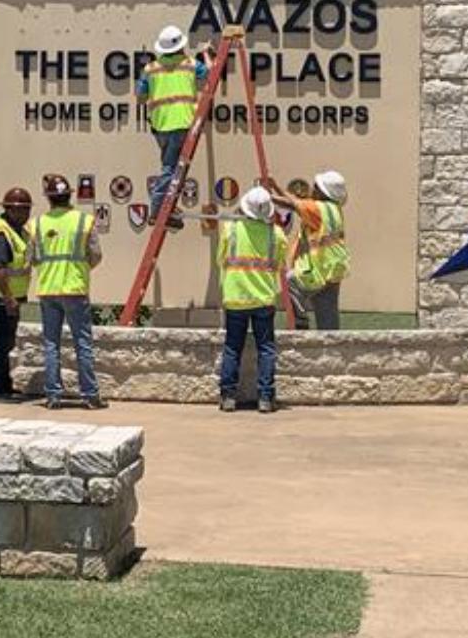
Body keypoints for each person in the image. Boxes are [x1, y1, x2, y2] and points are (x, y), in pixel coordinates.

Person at [28, 175, 106, 409]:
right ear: (69, 195)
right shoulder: (84, 221)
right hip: (75, 288)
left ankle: (53, 395)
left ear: (49, 199)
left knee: (51, 343)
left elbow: (32, 258)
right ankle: (90, 395)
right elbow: (96, 255)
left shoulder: (36, 224)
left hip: (47, 289)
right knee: (82, 342)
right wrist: (79, 268)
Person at [217, 187, 288, 413]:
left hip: (236, 298)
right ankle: (265, 398)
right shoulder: (275, 234)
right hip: (263, 298)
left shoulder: (231, 229)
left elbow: (221, 258)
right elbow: (279, 263)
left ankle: (228, 397)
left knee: (232, 348)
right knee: (266, 348)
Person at [136, 25, 208, 229]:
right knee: (171, 169)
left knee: (173, 168)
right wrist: (206, 55)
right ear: (181, 46)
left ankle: (168, 207)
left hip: (161, 126)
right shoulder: (191, 64)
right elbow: (210, 76)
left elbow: (140, 97)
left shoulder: (150, 69)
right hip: (183, 124)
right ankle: (158, 210)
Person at [269, 170, 351, 331]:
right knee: (328, 317)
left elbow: (291, 204)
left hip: (317, 270)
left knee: (290, 281)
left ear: (322, 191)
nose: (312, 190)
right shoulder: (333, 209)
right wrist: (275, 187)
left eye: (315, 187)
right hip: (333, 271)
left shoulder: (317, 209)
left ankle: (300, 321)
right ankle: (333, 347)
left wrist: (265, 197)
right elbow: (296, 203)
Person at [0, 187, 36, 403]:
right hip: (0, 298)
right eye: (20, 210)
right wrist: (8, 297)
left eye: (26, 210)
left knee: (6, 342)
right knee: (1, 343)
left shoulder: (19, 231)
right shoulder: (2, 233)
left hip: (10, 297)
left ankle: (4, 384)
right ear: (9, 210)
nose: (24, 214)